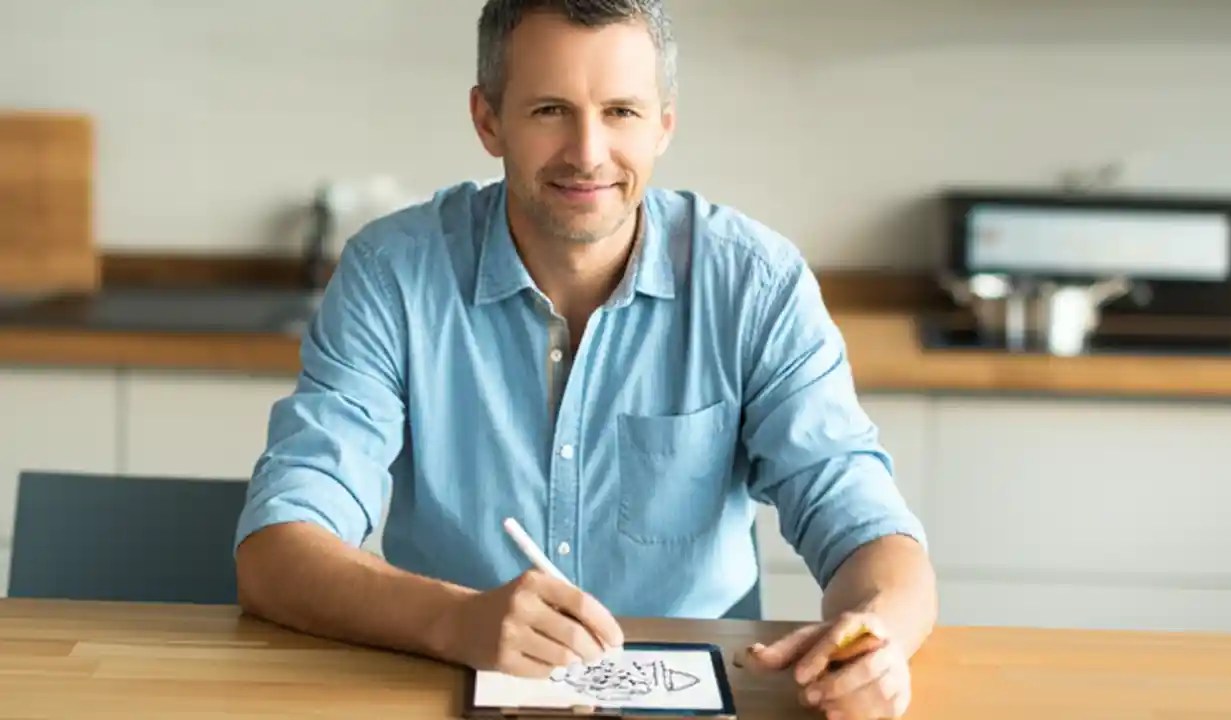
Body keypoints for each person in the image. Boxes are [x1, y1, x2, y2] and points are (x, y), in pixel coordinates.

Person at [233, 1, 938, 718]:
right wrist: (456, 620)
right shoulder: (393, 276)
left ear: (665, 122)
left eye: (622, 112)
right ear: (488, 120)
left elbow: (870, 528)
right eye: (549, 110)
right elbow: (276, 554)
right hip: (436, 685)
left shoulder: (755, 284)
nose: (588, 152)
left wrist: (878, 632)